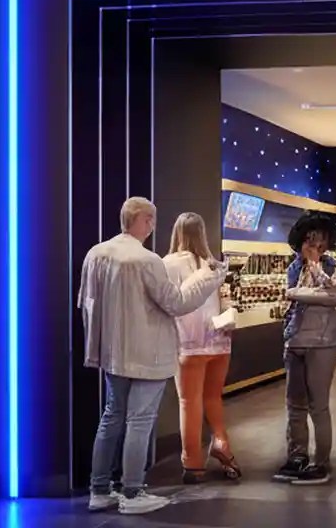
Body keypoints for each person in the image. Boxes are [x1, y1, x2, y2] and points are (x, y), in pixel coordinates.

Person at [79, 197, 227, 515]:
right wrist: (210, 278)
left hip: (111, 353)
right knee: (139, 421)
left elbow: (87, 303)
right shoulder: (146, 260)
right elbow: (176, 302)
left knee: (111, 418)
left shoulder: (95, 254)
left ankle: (99, 489)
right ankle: (132, 492)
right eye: (151, 221)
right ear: (145, 220)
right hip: (147, 354)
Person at [272, 211, 336, 486]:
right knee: (294, 405)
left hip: (323, 344)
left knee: (319, 406)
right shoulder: (293, 269)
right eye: (309, 242)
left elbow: (335, 297)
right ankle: (297, 456)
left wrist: (294, 293)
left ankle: (321, 462)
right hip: (294, 342)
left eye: (320, 243)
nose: (314, 249)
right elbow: (303, 297)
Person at [164, 212, 241, 484]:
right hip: (220, 342)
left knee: (189, 402)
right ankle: (221, 443)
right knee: (213, 398)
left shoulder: (168, 264)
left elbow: (166, 302)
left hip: (188, 345)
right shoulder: (215, 266)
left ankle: (192, 463)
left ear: (177, 233)